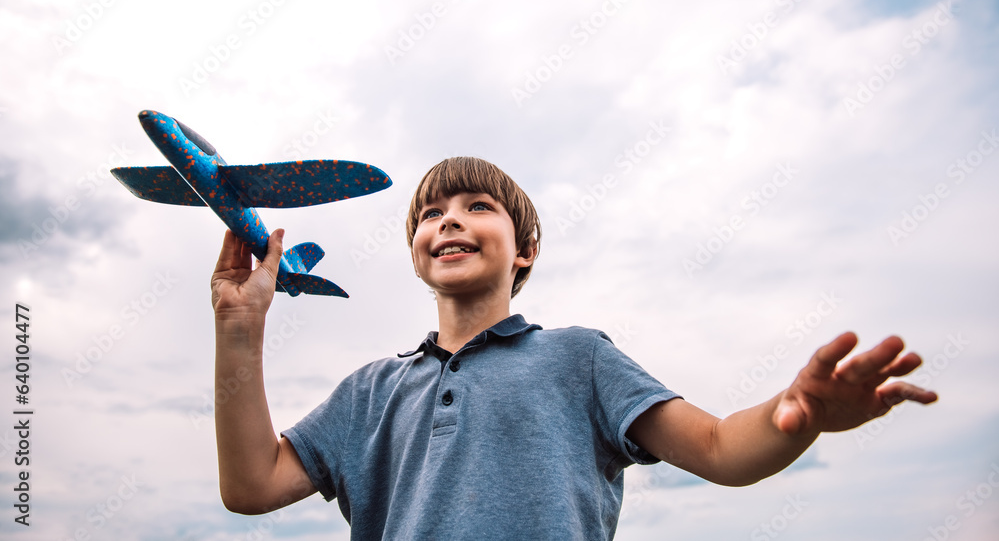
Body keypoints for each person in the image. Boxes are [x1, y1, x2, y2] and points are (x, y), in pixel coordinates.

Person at [210, 156, 937, 539]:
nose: (448, 221)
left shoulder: (579, 359)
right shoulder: (369, 392)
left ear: (525, 250)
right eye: (430, 214)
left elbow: (719, 447)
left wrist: (798, 409)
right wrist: (239, 331)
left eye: (476, 206)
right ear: (416, 255)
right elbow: (250, 486)